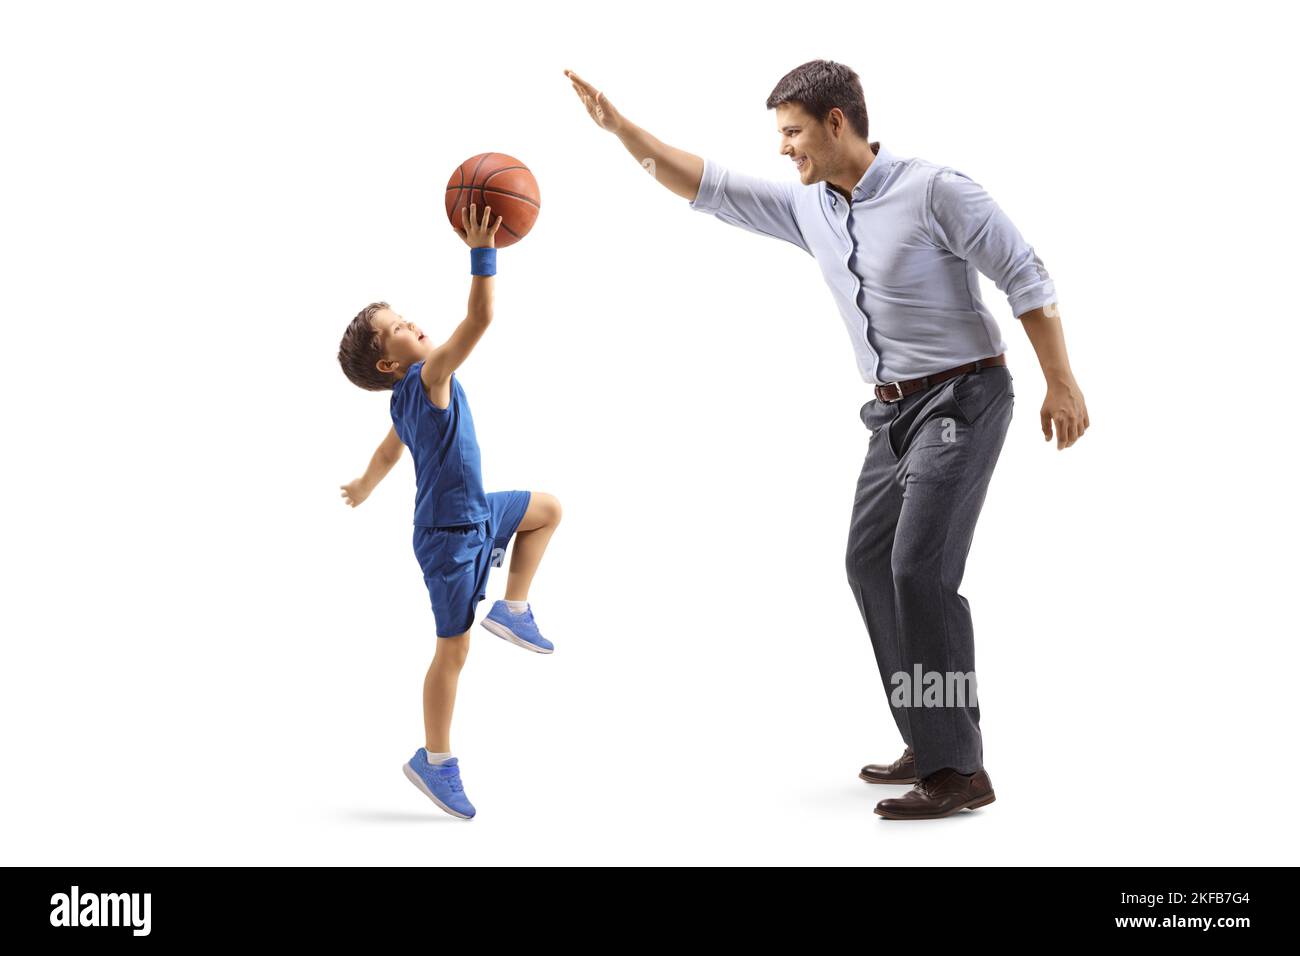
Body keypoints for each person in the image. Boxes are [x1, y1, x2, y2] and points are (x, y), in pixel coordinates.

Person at [565, 60, 1088, 820]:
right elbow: (702, 183)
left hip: (964, 397)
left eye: (792, 131)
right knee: (870, 564)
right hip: (892, 413)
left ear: (836, 122)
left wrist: (1062, 381)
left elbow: (1025, 276)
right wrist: (622, 133)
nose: (783, 148)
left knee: (919, 570)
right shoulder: (814, 206)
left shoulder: (936, 189)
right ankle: (928, 731)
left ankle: (959, 770)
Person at [336, 202, 562, 820]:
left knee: (545, 509)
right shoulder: (431, 374)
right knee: (451, 654)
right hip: (449, 537)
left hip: (472, 512)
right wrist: (483, 252)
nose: (414, 324)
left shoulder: (403, 402)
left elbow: (387, 455)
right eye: (400, 328)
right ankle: (434, 762)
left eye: (406, 317)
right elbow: (481, 316)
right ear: (392, 363)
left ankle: (513, 608)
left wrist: (363, 484)